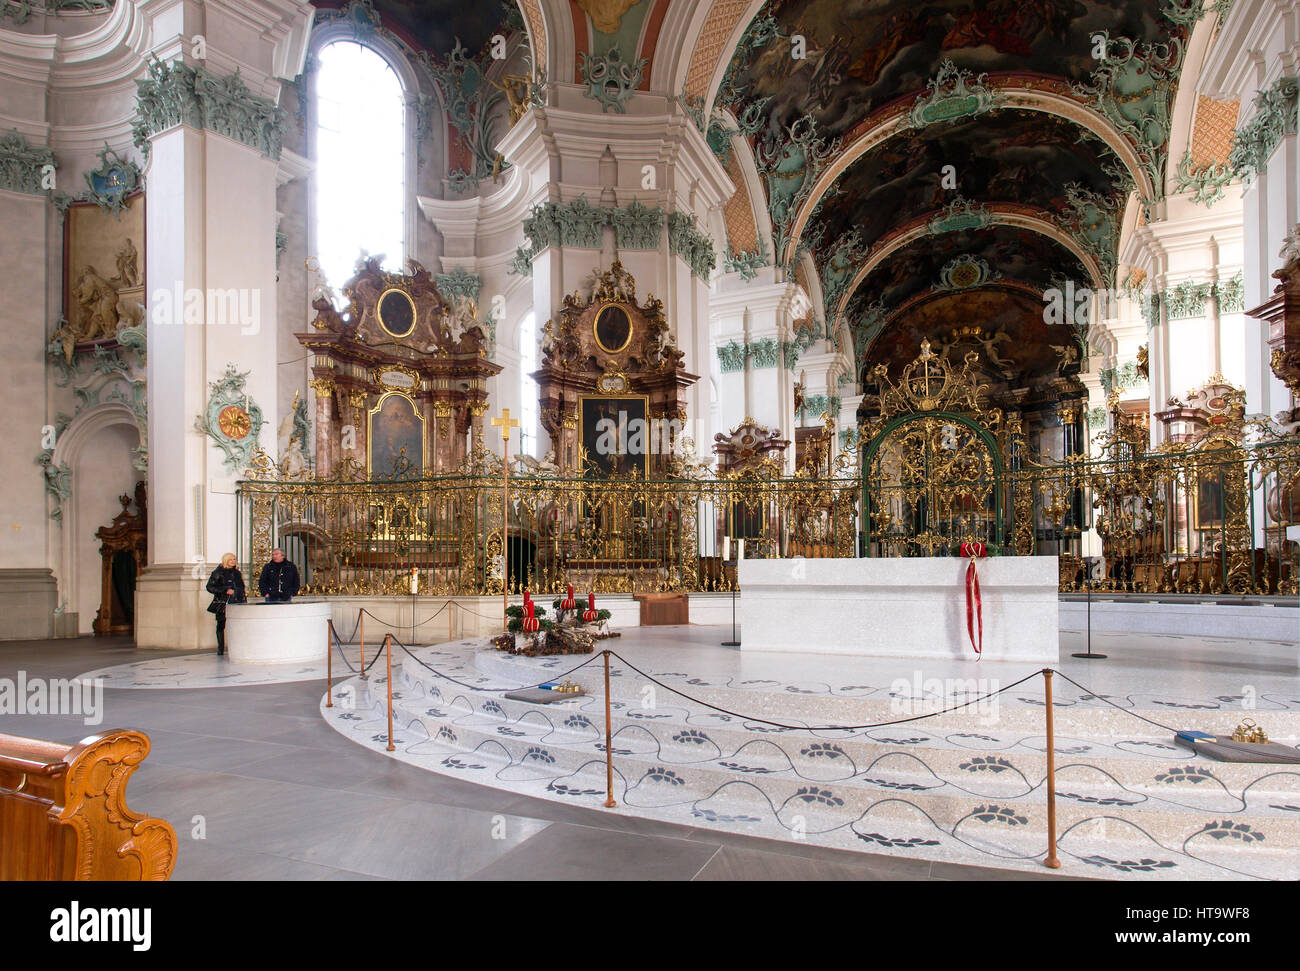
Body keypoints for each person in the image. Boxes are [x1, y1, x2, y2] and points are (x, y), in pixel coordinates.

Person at [205, 553, 246, 656]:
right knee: (221, 625)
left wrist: (242, 598)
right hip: (223, 602)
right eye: (230, 559)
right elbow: (210, 587)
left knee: (236, 625)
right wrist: (225, 590)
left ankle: (237, 647)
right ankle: (220, 648)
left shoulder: (237, 573)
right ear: (226, 560)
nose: (233, 561)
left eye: (234, 559)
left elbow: (241, 587)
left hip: (236, 601)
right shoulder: (218, 572)